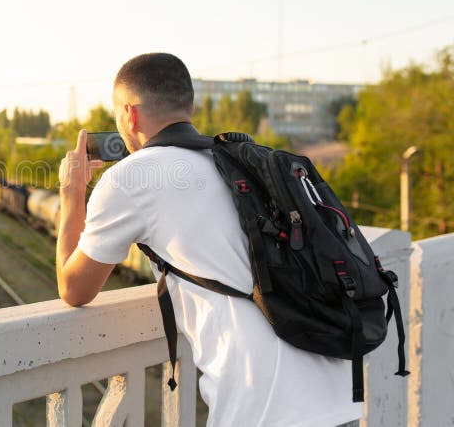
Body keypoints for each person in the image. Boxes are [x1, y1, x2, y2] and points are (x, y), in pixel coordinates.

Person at [56, 53, 363, 427]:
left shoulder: (130, 178)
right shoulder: (241, 161)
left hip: (264, 408)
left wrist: (72, 195)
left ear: (129, 115)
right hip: (339, 392)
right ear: (191, 107)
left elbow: (74, 288)